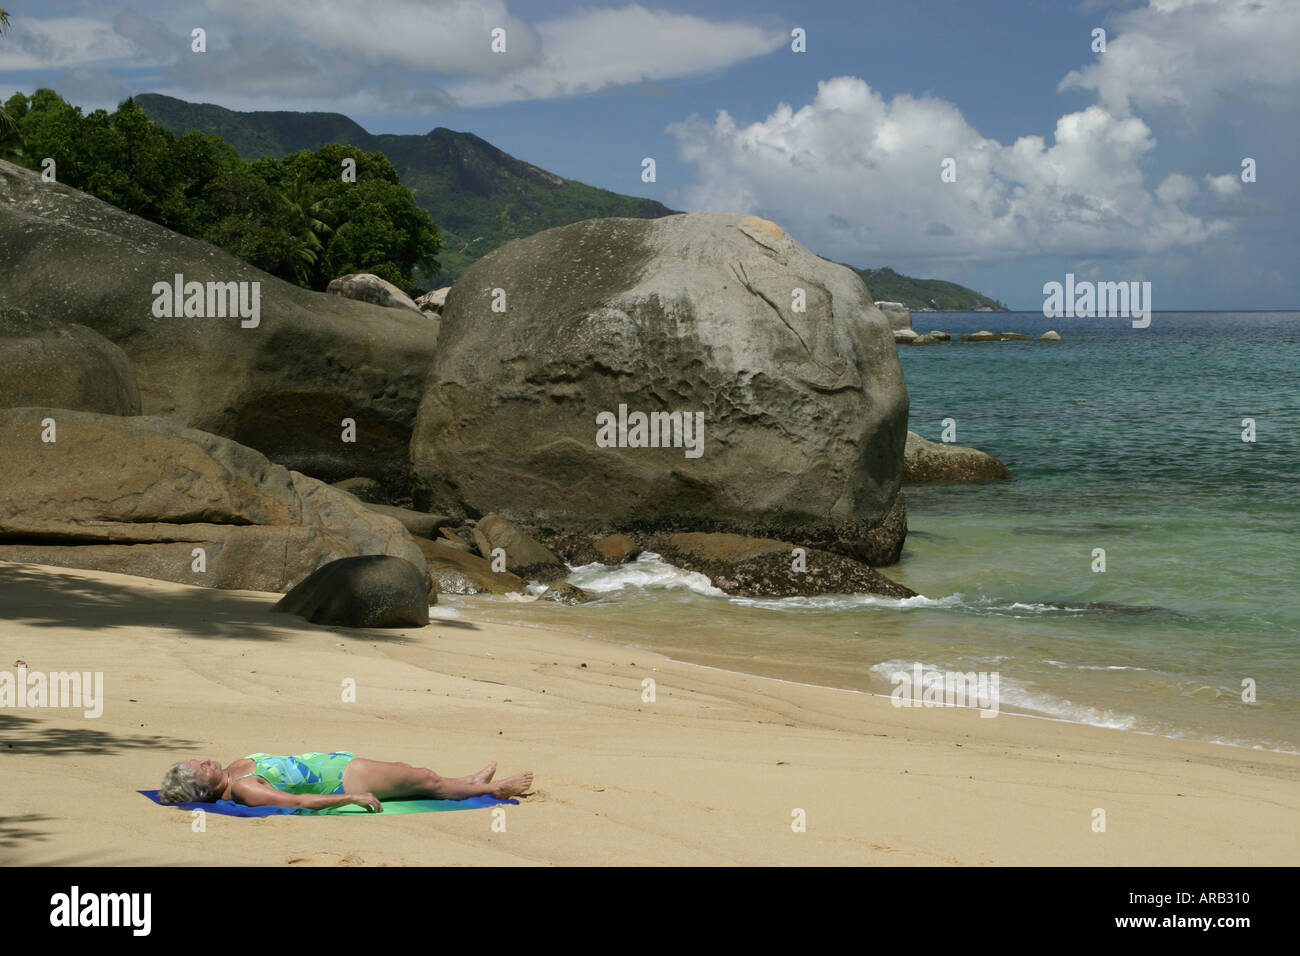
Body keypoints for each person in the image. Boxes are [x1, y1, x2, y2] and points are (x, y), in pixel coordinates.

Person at [159, 752, 533, 812]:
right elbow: (298, 802)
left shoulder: (235, 768)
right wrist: (350, 797)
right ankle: (492, 790)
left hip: (332, 763)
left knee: (414, 775)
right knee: (423, 779)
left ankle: (468, 781)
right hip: (340, 779)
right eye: (203, 767)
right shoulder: (243, 787)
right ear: (206, 788)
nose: (208, 760)